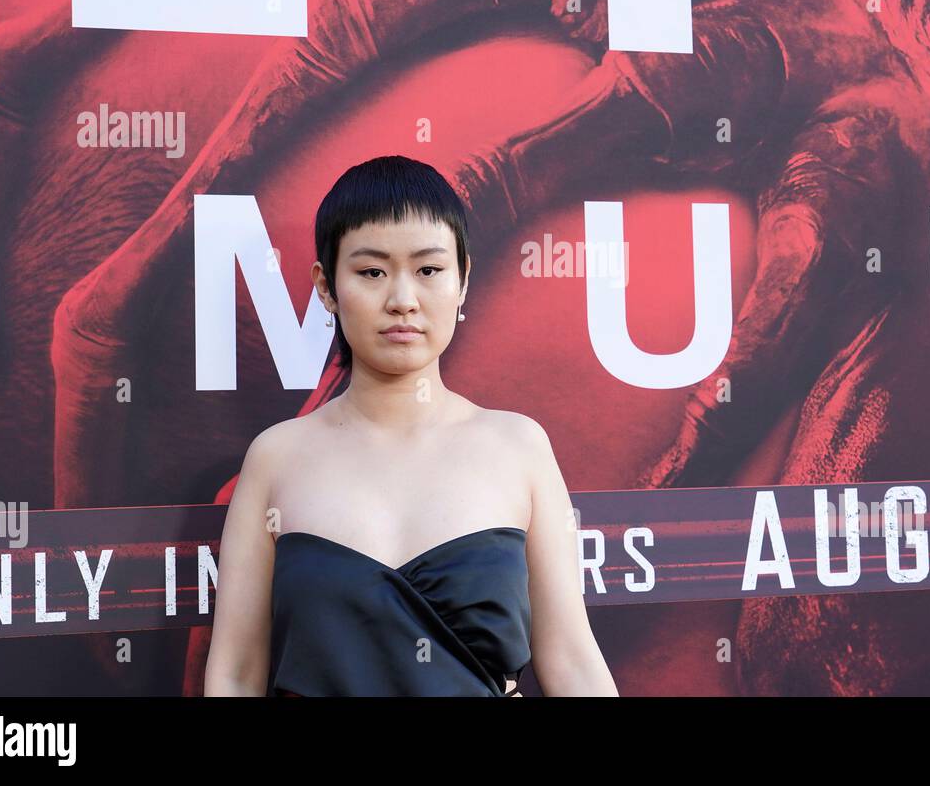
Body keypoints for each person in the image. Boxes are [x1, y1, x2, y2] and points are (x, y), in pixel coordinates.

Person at [202, 155, 618, 696]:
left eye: (428, 270)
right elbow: (235, 674)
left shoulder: (518, 448)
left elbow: (572, 663)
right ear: (326, 288)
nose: (402, 300)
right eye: (371, 272)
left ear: (463, 280)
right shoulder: (276, 458)